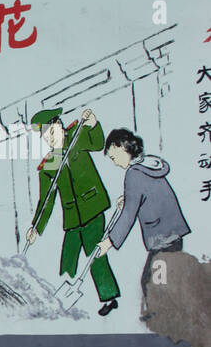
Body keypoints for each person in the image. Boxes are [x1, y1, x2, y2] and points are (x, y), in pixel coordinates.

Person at [26, 107, 121, 317]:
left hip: (93, 210)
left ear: (59, 125)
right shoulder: (50, 163)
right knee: (68, 257)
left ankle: (109, 297)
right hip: (72, 218)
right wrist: (36, 227)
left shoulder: (77, 137)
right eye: (45, 137)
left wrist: (93, 123)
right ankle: (62, 297)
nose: (50, 139)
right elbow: (46, 200)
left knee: (94, 253)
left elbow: (97, 143)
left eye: (51, 132)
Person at [96, 127, 191, 319]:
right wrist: (131, 198)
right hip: (171, 233)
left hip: (162, 237)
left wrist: (110, 242)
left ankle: (162, 320)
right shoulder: (148, 165)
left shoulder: (134, 174)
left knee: (153, 281)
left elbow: (129, 213)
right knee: (159, 281)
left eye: (114, 157)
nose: (114, 163)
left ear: (121, 147)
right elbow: (145, 196)